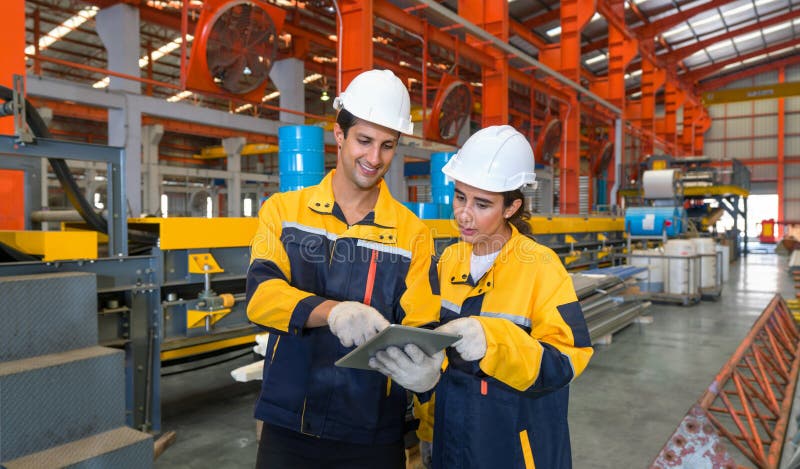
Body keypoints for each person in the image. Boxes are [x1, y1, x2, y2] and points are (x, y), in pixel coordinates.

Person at [245, 69, 443, 468]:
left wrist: (428, 385)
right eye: (364, 141)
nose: (374, 158)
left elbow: (423, 329)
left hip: (371, 432)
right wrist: (332, 312)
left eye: (387, 146)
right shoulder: (283, 213)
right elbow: (261, 298)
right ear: (339, 134)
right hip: (289, 425)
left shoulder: (412, 234)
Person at [370, 125, 594, 468]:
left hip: (512, 448)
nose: (464, 213)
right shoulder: (448, 261)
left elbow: (567, 359)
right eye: (460, 197)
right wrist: (425, 392)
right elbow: (432, 345)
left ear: (511, 206)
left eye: (482, 203)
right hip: (448, 442)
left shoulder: (541, 267)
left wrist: (494, 342)